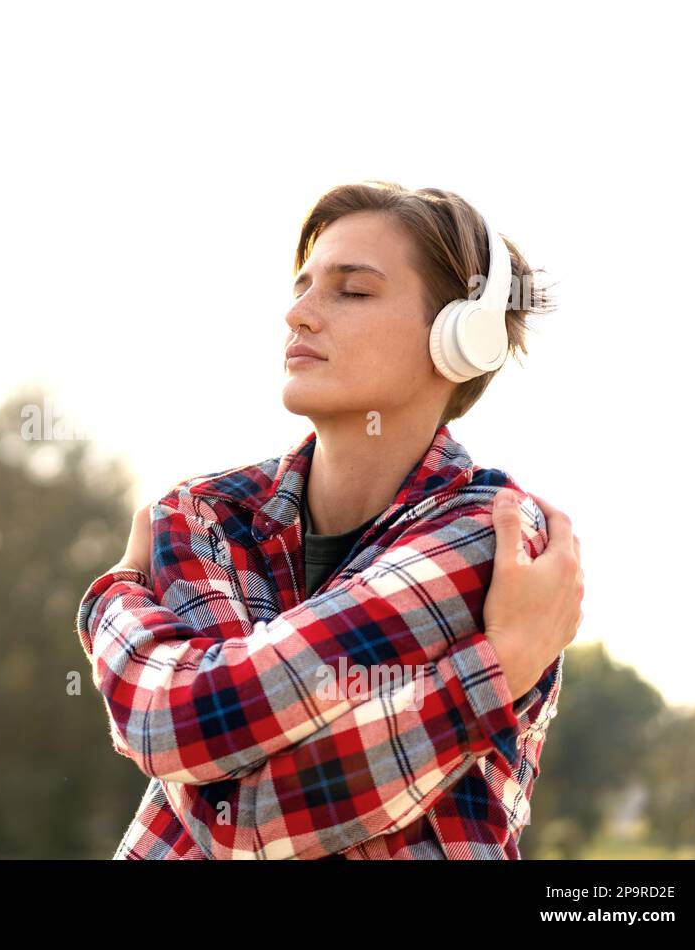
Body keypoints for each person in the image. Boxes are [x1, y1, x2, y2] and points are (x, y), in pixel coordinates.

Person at [73, 181, 584, 859]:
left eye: (352, 291)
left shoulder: (496, 540)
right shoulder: (203, 514)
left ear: (463, 336)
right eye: (302, 286)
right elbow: (181, 723)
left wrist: (114, 600)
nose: (300, 314)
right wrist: (490, 673)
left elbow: (239, 810)